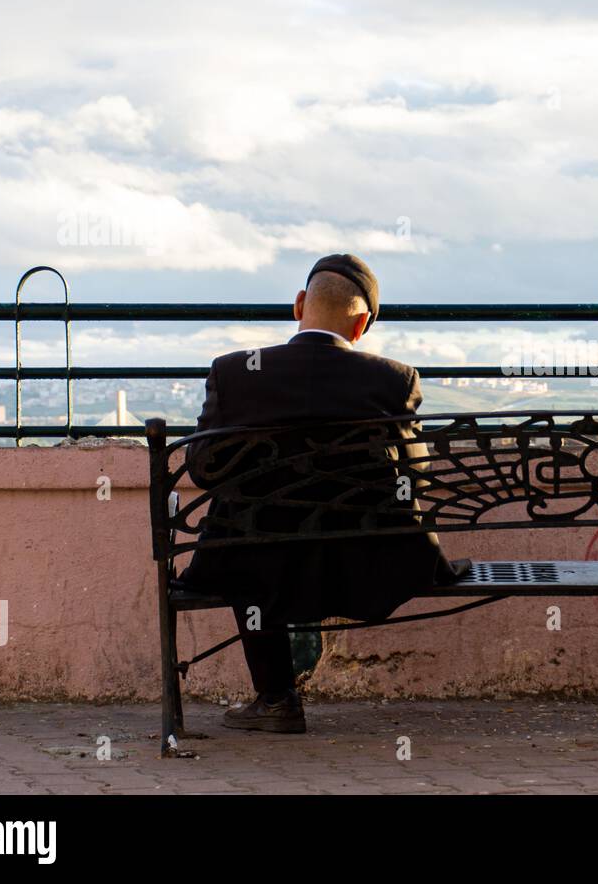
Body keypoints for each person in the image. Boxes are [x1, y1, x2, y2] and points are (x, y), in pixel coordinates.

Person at [176, 254, 467, 735]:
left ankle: (276, 698)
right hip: (365, 566)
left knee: (249, 544)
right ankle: (276, 696)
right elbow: (415, 476)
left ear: (298, 306)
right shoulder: (392, 379)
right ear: (362, 324)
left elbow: (204, 470)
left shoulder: (234, 373)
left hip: (256, 564)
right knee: (270, 546)